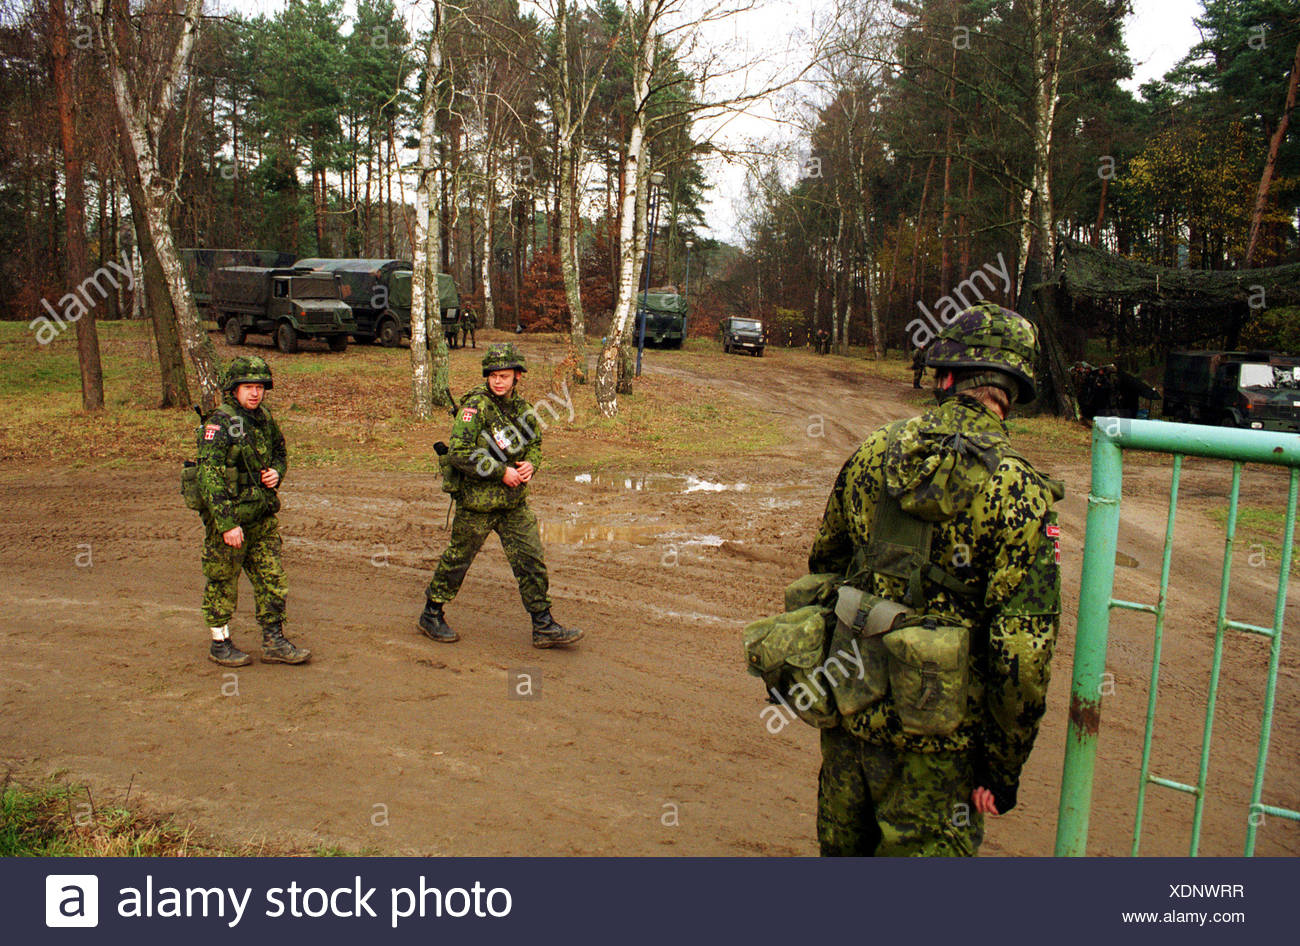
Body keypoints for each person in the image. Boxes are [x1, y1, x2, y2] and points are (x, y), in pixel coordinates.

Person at [808, 302, 1062, 856]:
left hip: (851, 725)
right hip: (942, 754)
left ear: (945, 377)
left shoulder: (871, 452)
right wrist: (1002, 768)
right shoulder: (1020, 490)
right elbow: (1022, 655)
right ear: (1011, 392)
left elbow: (825, 567)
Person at [419, 343, 583, 648]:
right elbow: (460, 454)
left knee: (531, 560)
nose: (498, 381)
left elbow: (535, 443)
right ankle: (431, 613)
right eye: (493, 375)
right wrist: (501, 472)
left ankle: (543, 624)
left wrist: (532, 464)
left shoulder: (523, 410)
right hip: (477, 504)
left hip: (513, 504)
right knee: (458, 560)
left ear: (517, 376)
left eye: (504, 375)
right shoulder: (475, 408)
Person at [195, 356, 310, 667]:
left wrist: (277, 472)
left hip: (261, 517)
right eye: (248, 387)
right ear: (234, 390)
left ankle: (274, 640)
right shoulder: (218, 424)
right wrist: (227, 524)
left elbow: (280, 452)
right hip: (231, 521)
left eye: (259, 387)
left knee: (272, 578)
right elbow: (210, 477)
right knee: (222, 581)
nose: (255, 393)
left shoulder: (264, 418)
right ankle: (220, 642)